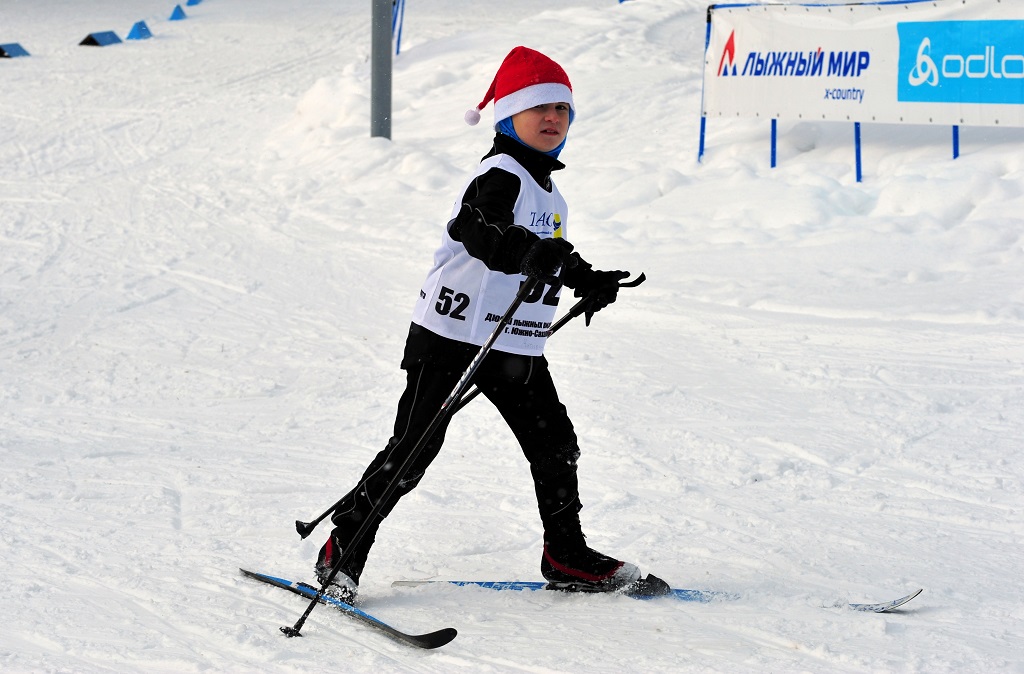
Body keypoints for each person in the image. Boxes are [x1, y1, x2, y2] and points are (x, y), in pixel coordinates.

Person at [313, 46, 665, 602]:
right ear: (508, 116)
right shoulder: (499, 175)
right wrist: (532, 252)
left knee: (554, 444)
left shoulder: (549, 192)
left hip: (513, 342)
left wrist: (587, 278)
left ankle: (566, 554)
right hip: (452, 335)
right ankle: (344, 547)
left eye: (562, 109)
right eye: (539, 107)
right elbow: (481, 229)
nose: (553, 118)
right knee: (413, 450)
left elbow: (547, 252)